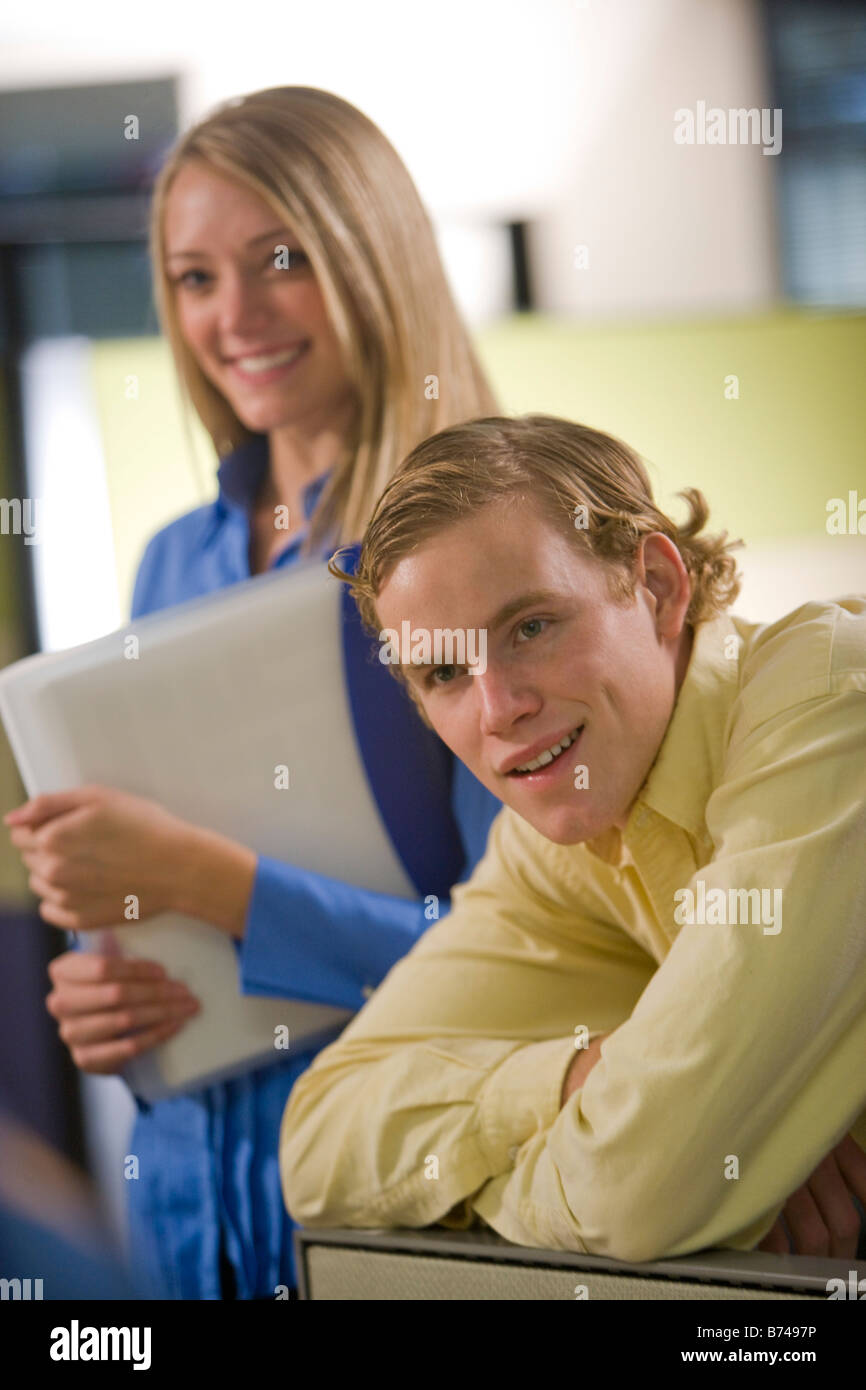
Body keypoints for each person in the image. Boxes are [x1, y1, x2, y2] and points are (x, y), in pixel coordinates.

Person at [2, 88, 503, 1299]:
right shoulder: (174, 558)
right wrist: (103, 997)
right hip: (189, 1204)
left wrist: (213, 885)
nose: (237, 315)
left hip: (394, 1193)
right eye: (193, 277)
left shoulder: (484, 538)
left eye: (279, 258)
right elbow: (140, 923)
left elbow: (526, 962)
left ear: (368, 255)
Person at [280, 413, 866, 1263]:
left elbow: (635, 1191)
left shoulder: (825, 700)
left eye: (531, 627)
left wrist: (657, 1178)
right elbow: (318, 1144)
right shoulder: (562, 839)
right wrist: (571, 1082)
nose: (498, 709)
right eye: (443, 672)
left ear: (659, 587)